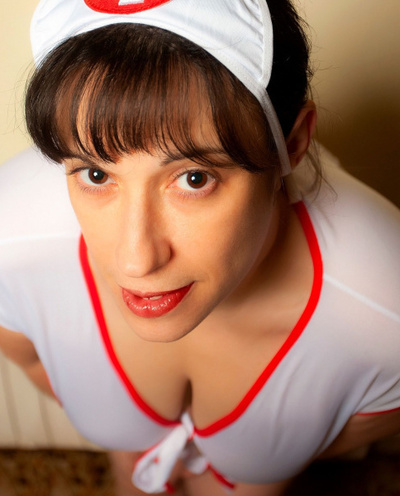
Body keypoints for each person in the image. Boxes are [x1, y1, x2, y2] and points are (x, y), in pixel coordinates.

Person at [0, 0, 399, 494]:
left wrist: (265, 456)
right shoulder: (12, 250)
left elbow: (357, 426)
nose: (135, 260)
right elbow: (32, 361)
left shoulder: (384, 320)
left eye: (194, 178)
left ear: (293, 145)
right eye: (97, 174)